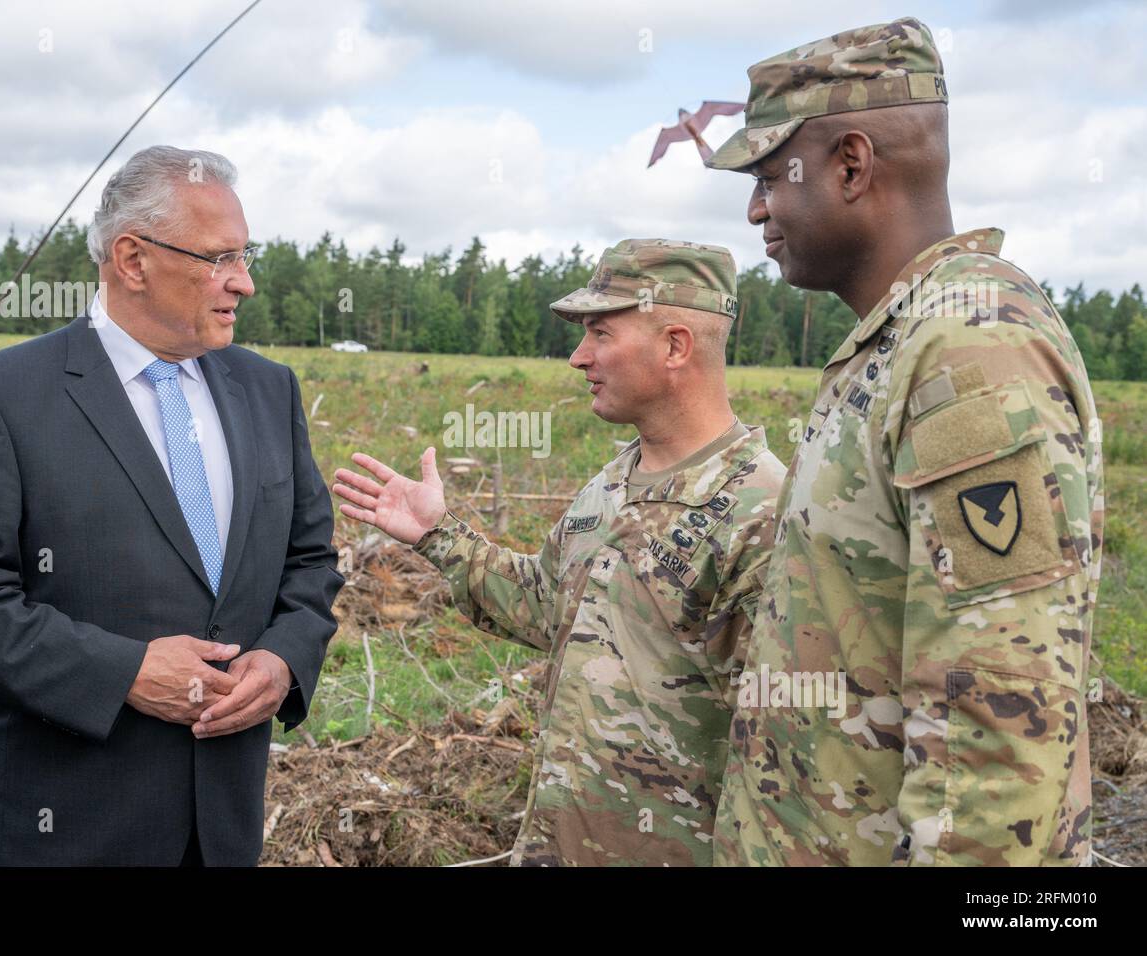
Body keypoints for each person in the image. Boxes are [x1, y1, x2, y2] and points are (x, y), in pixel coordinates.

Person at [704, 17, 1103, 865]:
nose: (754, 208)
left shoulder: (971, 349)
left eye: (772, 174)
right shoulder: (897, 342)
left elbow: (997, 747)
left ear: (851, 165)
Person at [0, 145, 344, 865]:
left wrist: (284, 661)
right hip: (63, 828)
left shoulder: (269, 390)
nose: (245, 284)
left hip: (222, 823)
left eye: (246, 255)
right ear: (133, 260)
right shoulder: (1, 396)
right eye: (220, 258)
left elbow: (310, 560)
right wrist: (122, 671)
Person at [333, 239, 785, 865]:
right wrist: (441, 534)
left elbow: (786, 759)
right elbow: (548, 606)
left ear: (676, 346)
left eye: (601, 333)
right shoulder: (612, 483)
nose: (579, 358)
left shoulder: (762, 515)